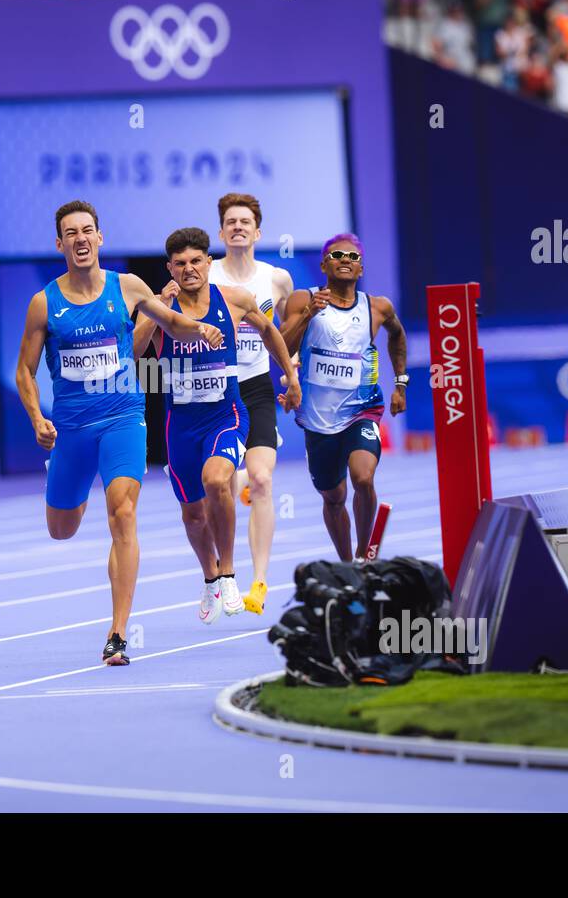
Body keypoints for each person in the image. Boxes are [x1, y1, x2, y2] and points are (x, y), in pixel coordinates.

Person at [15, 199, 223, 666]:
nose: (81, 239)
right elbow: (25, 372)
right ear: (60, 243)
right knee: (61, 529)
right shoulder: (43, 303)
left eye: (88, 230)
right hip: (71, 429)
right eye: (71, 233)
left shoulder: (126, 287)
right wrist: (36, 419)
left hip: (123, 419)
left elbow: (170, 320)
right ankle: (74, 482)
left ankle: (118, 633)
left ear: (100, 237)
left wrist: (201, 329)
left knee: (123, 514)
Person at [134, 227, 299, 624]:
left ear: (209, 262)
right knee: (192, 514)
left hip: (226, 415)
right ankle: (209, 576)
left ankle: (228, 572)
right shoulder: (159, 308)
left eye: (196, 261)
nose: (189, 269)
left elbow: (270, 331)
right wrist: (158, 306)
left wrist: (291, 378)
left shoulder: (234, 300)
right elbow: (136, 351)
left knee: (217, 480)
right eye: (180, 264)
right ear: (169, 268)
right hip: (180, 424)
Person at [281, 234, 408, 561]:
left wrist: (401, 383)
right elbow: (281, 346)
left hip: (362, 410)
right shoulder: (301, 300)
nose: (345, 260)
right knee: (333, 497)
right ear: (324, 264)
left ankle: (366, 555)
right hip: (318, 419)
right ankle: (347, 564)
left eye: (352, 256)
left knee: (363, 478)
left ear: (361, 267)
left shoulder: (377, 307)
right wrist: (309, 314)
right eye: (337, 255)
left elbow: (397, 334)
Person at [205, 193, 294, 614]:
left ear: (257, 232)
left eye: (245, 222)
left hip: (256, 387)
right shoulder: (207, 275)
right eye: (231, 222)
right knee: (217, 484)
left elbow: (284, 332)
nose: (238, 227)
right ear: (221, 232)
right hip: (216, 389)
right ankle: (222, 572)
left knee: (262, 479)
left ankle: (258, 583)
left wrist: (290, 366)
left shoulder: (276, 280)